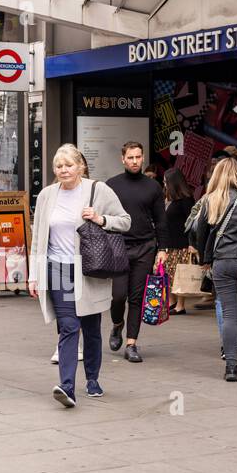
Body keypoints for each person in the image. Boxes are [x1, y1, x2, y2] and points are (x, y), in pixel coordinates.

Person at [29, 144, 131, 408]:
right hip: (57, 269)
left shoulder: (98, 190)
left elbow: (125, 221)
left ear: (80, 167)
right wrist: (34, 274)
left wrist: (100, 218)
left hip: (89, 270)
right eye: (59, 166)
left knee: (91, 328)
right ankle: (67, 387)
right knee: (68, 327)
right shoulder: (46, 195)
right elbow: (39, 238)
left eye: (68, 165)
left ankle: (93, 379)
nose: (63, 170)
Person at [193, 156, 237, 381]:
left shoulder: (210, 200)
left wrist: (206, 258)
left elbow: (199, 233)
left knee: (230, 314)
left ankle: (231, 366)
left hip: (222, 262)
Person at [106, 141, 168, 364]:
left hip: (145, 247)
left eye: (138, 157)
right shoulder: (111, 185)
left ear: (143, 158)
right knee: (118, 295)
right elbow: (104, 217)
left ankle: (131, 343)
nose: (134, 161)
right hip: (118, 246)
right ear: (123, 159)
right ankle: (117, 325)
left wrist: (163, 249)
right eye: (130, 157)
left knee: (136, 297)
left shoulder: (153, 187)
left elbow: (161, 221)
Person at [162, 169, 196, 315]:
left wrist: (192, 243)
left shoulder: (186, 200)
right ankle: (172, 302)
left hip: (181, 243)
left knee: (180, 275)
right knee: (169, 274)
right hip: (169, 243)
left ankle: (180, 305)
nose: (163, 183)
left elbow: (191, 223)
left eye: (165, 181)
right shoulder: (169, 199)